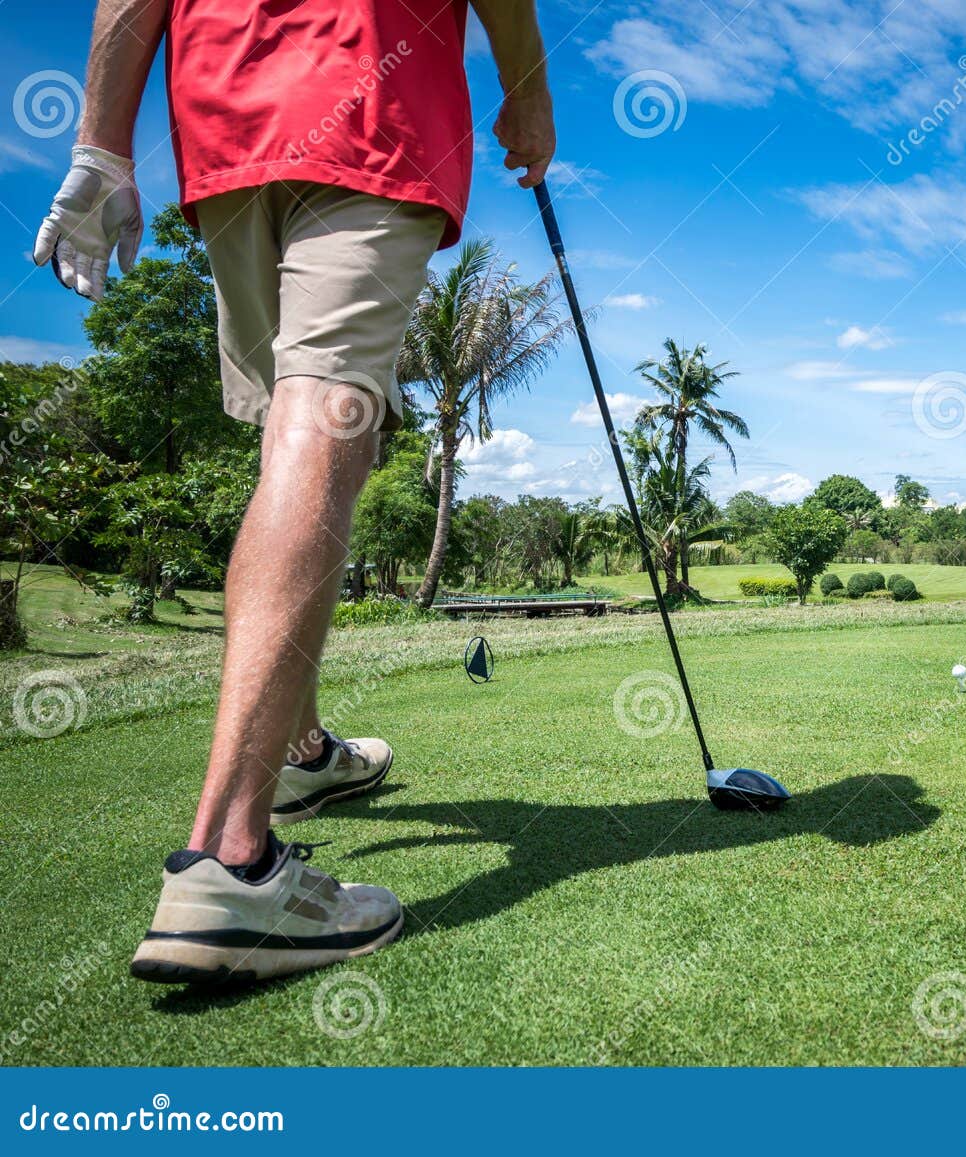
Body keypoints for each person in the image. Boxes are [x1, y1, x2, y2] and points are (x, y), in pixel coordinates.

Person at [32, 0, 555, 984]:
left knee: (298, 437)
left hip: (228, 127)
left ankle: (304, 752)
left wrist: (102, 147)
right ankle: (230, 861)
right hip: (372, 111)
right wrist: (528, 97)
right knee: (323, 421)